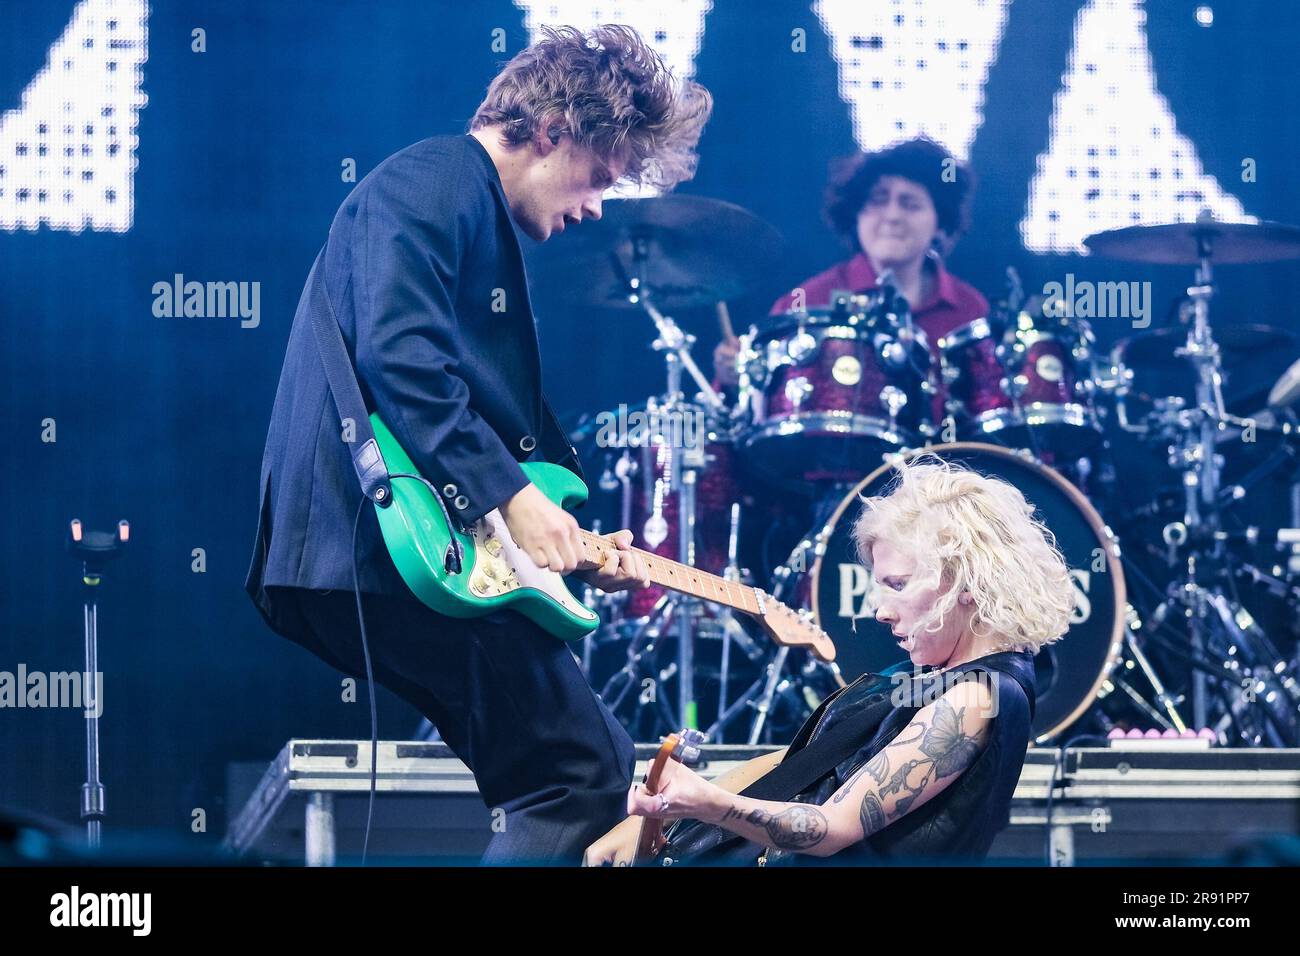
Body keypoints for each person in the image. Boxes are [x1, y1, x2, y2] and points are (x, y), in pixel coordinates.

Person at [244, 24, 712, 865]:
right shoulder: (435, 178)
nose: (599, 203)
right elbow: (402, 358)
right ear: (553, 129)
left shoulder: (457, 199)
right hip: (372, 546)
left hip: (385, 548)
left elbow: (457, 394)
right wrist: (514, 500)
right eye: (601, 175)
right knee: (577, 771)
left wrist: (559, 521)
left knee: (573, 768)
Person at [584, 455, 1076, 865]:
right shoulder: (921, 680)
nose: (879, 611)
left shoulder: (976, 698)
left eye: (898, 585)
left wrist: (705, 803)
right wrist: (662, 816)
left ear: (968, 583)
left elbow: (833, 827)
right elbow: (798, 764)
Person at [713, 137, 986, 401]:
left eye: (910, 204)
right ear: (854, 215)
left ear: (940, 223)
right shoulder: (805, 303)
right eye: (878, 200)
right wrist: (733, 381)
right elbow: (751, 420)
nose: (892, 216)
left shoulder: (971, 311)